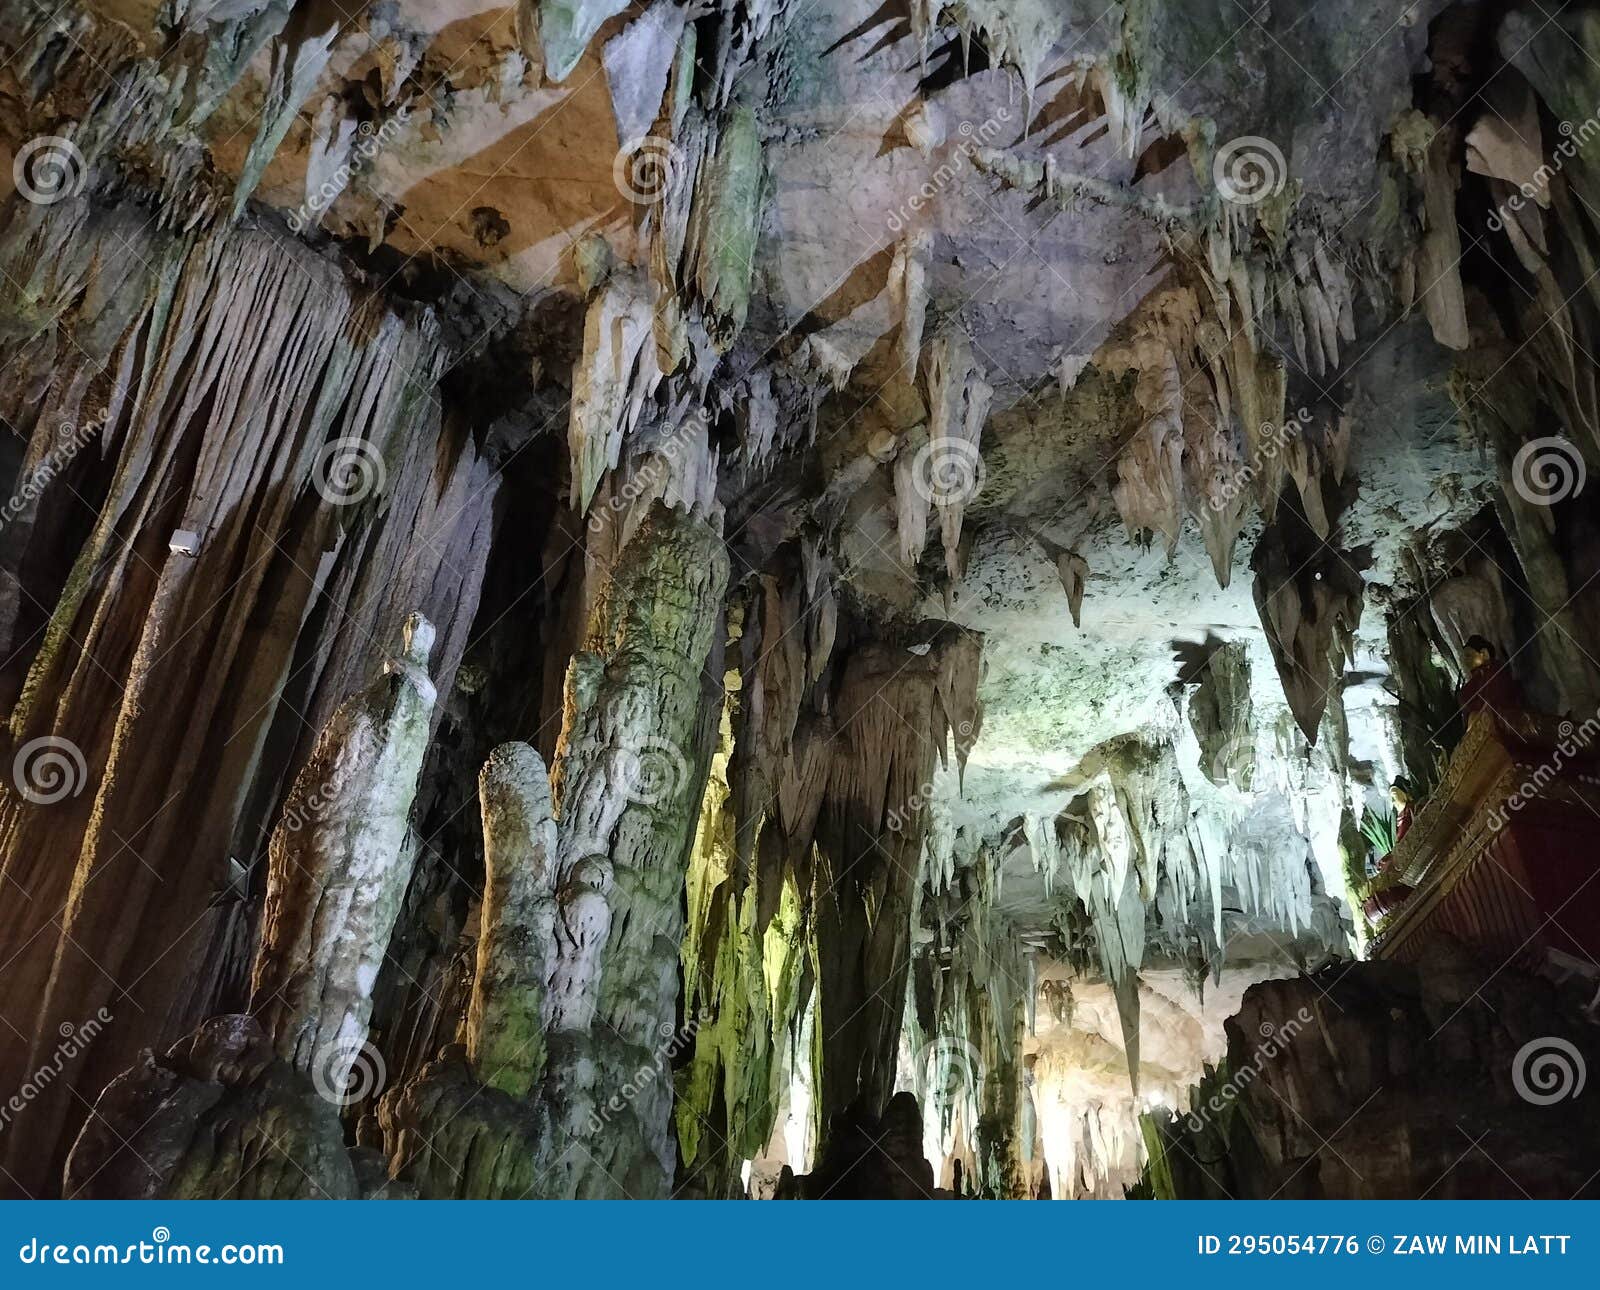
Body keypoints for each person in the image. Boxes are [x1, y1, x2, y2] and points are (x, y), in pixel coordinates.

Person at [1457, 634, 1521, 718]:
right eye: (1464, 657)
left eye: (1469, 656)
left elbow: (1496, 699)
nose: (1465, 660)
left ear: (1484, 654)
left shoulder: (1496, 671)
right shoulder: (1478, 677)